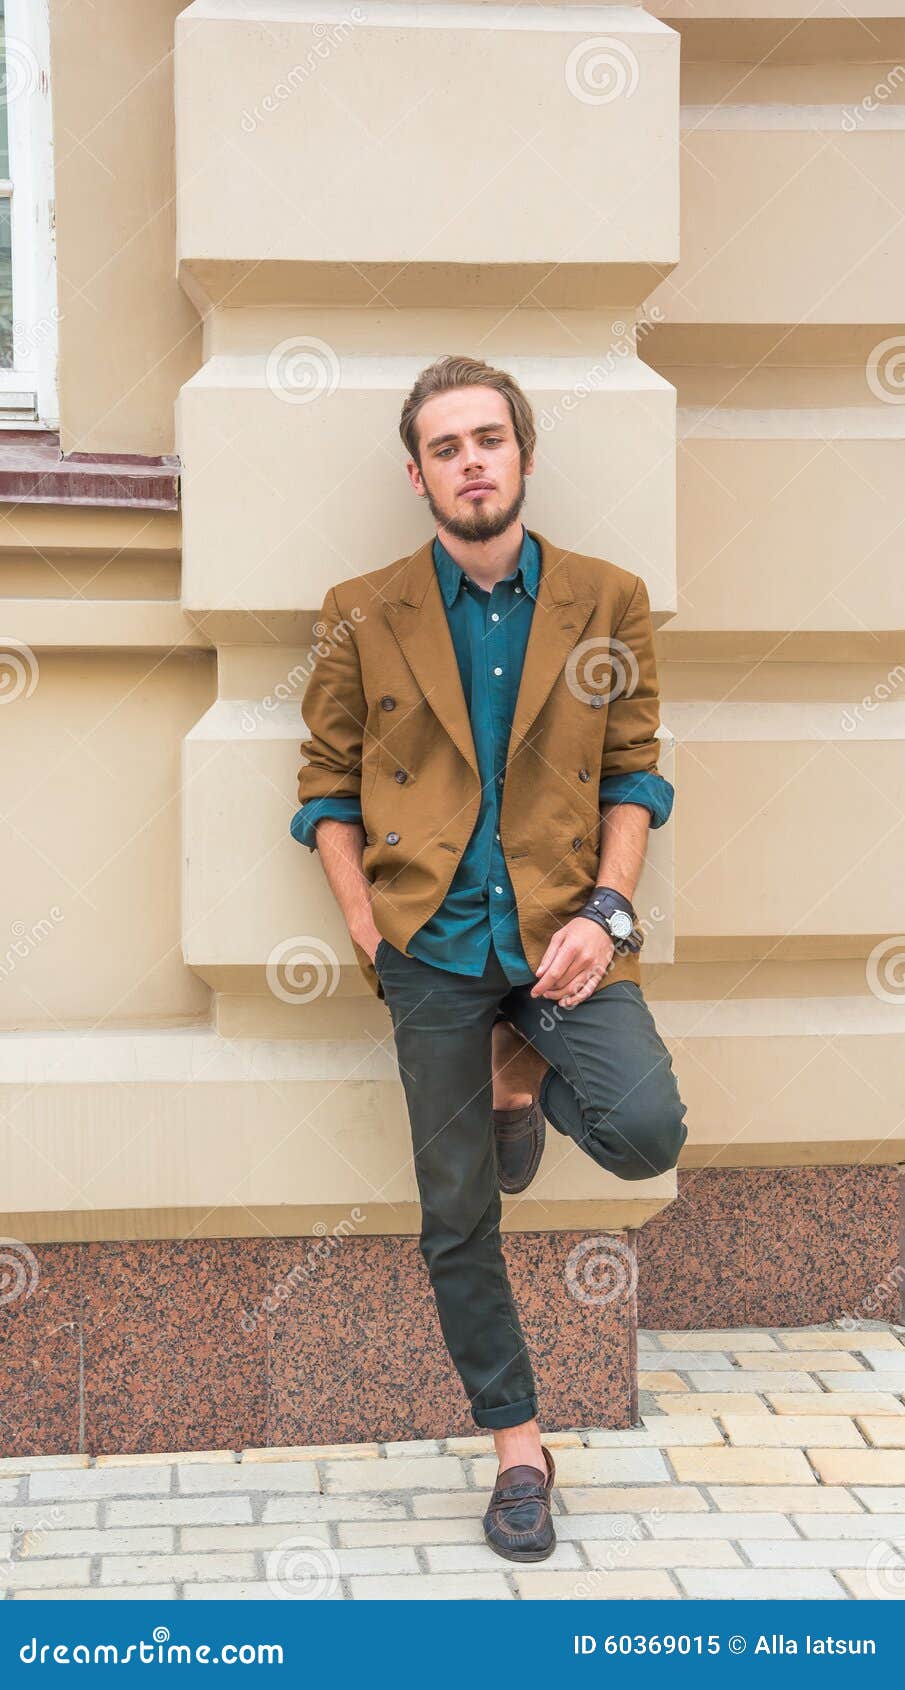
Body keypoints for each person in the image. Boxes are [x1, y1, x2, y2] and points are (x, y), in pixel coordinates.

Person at [290, 354, 688, 1562]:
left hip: (563, 930)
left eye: (489, 439)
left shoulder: (606, 598)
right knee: (456, 1210)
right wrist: (366, 926)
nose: (472, 461)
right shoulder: (361, 607)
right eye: (446, 446)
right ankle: (517, 1448)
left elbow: (633, 772)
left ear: (521, 454)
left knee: (644, 1128)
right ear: (416, 474)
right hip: (431, 944)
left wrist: (609, 910)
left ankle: (520, 1075)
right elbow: (324, 781)